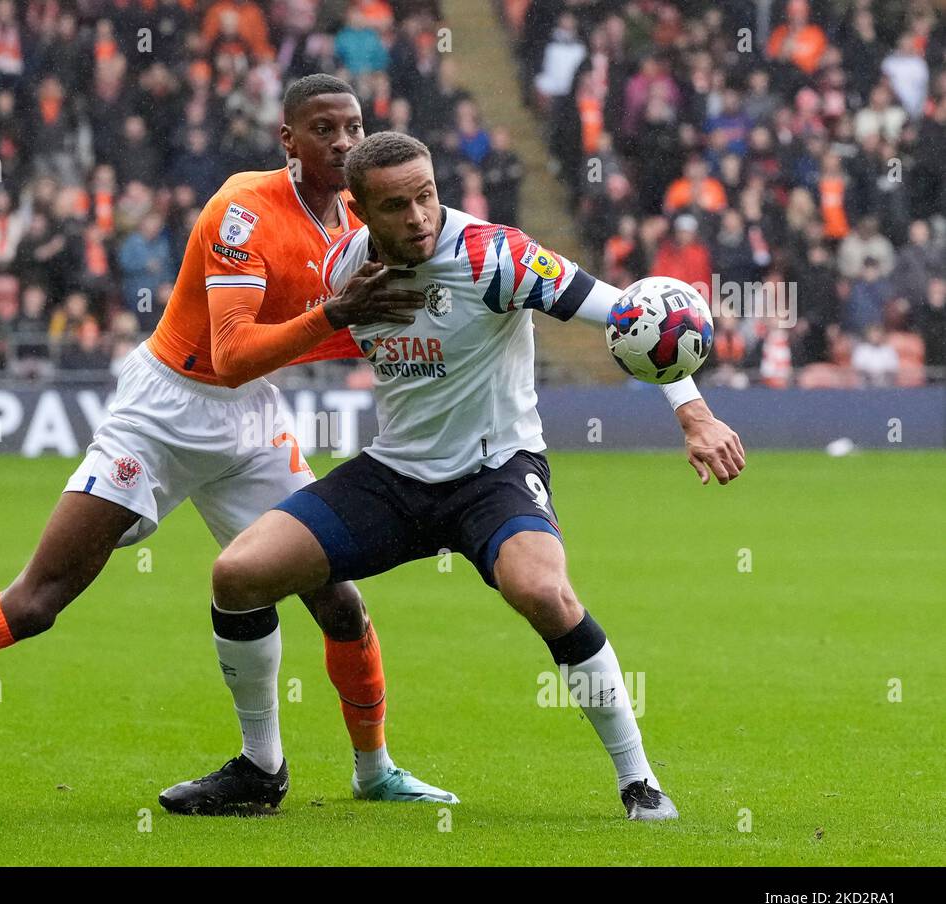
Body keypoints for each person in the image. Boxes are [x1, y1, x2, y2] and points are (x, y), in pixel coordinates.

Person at [0, 76, 456, 814]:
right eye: (324, 128)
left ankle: (365, 770)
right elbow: (230, 352)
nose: (345, 141)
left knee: (338, 602)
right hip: (165, 413)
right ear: (288, 141)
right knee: (35, 602)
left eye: (353, 125)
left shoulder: (359, 220)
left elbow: (306, 343)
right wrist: (336, 317)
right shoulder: (241, 211)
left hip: (252, 419)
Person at [162, 132, 746, 820]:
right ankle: (261, 769)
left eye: (427, 196)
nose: (418, 217)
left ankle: (638, 780)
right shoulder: (345, 269)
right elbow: (284, 337)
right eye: (397, 205)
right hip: (396, 474)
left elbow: (631, 315)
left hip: (493, 473)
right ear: (359, 210)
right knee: (237, 575)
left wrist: (694, 411)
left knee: (544, 592)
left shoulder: (496, 256)